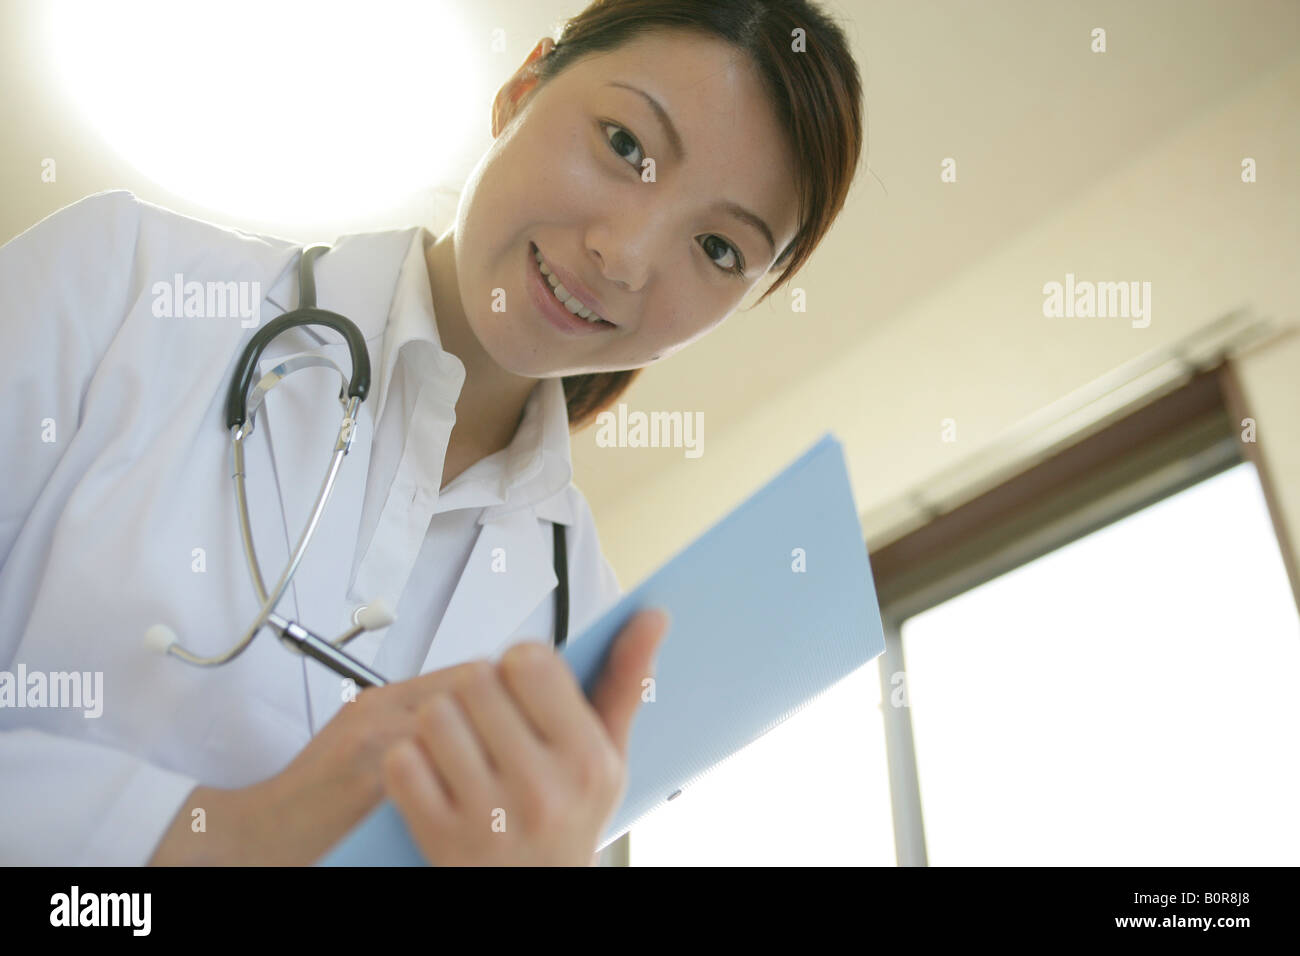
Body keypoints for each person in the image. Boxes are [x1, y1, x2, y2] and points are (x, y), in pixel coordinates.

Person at [0, 0, 864, 865]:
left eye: (717, 248)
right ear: (523, 87)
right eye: (626, 145)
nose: (626, 254)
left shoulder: (586, 630)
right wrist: (224, 841)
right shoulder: (119, 284)